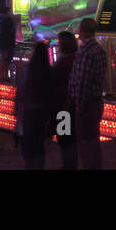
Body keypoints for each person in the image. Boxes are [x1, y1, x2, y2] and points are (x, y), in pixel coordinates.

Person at [68, 18, 108, 169]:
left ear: (82, 31)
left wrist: (79, 105)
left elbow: (82, 82)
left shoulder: (85, 52)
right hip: (97, 102)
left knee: (84, 145)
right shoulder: (100, 50)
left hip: (86, 104)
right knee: (94, 143)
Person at [20, 41, 54, 169]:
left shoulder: (28, 69)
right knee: (40, 144)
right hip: (44, 111)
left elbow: (22, 90)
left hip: (30, 109)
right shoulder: (50, 71)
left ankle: (30, 166)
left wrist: (18, 110)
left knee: (28, 143)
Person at [52, 32, 79, 169]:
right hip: (73, 105)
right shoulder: (76, 59)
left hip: (63, 106)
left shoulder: (63, 62)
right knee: (71, 139)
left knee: (65, 139)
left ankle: (68, 165)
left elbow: (56, 83)